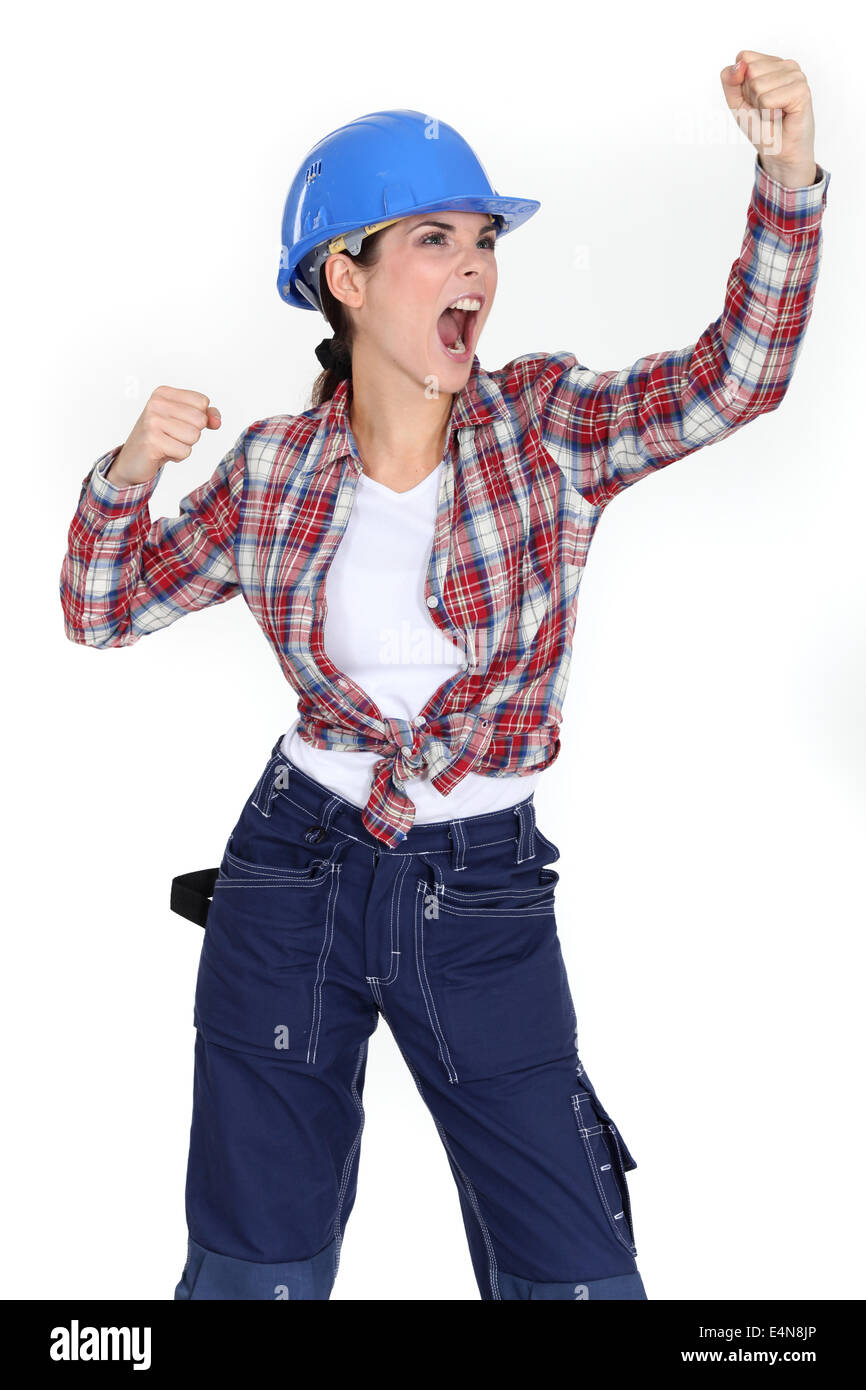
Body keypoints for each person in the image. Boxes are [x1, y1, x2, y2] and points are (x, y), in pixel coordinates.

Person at [59, 60, 830, 1301]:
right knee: (254, 1271)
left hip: (478, 900)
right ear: (344, 278)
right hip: (291, 874)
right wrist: (125, 471)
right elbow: (99, 610)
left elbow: (731, 380)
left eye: (482, 238)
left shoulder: (543, 429)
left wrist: (785, 173)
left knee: (574, 1277)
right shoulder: (272, 471)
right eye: (433, 238)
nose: (473, 263)